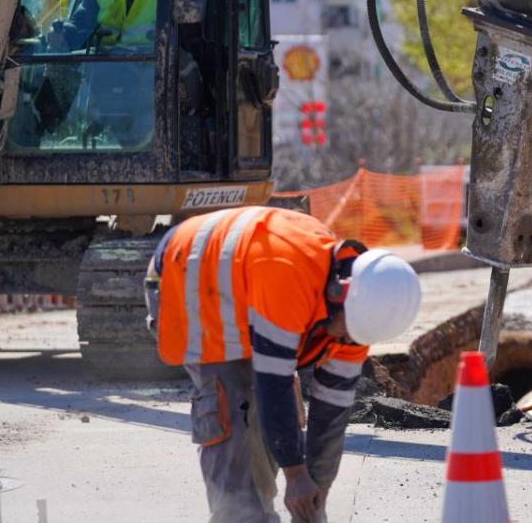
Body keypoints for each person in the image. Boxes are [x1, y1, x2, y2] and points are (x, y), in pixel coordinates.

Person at [144, 206, 422, 523]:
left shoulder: (359, 316)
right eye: (345, 330)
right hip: (188, 277)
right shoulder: (289, 275)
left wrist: (314, 498)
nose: (346, 340)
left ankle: (262, 509)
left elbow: (331, 414)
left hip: (246, 288)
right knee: (234, 407)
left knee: (271, 416)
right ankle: (240, 515)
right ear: (339, 293)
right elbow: (271, 384)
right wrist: (295, 474)